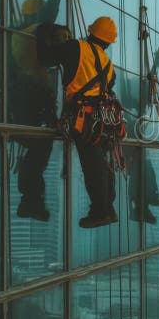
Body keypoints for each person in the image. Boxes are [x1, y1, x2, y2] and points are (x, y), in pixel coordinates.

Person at [0, 0, 64, 222]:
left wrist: (1, 35)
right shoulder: (35, 34)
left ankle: (31, 200)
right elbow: (48, 14)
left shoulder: (13, 35)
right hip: (27, 107)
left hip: (13, 109)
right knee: (40, 146)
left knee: (38, 147)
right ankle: (30, 200)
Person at [37, 16, 121, 228]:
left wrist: (41, 33)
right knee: (101, 162)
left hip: (84, 116)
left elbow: (45, 58)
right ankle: (107, 207)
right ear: (109, 42)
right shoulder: (108, 65)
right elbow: (109, 85)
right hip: (102, 118)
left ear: (91, 32)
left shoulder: (76, 48)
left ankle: (100, 210)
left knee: (92, 163)